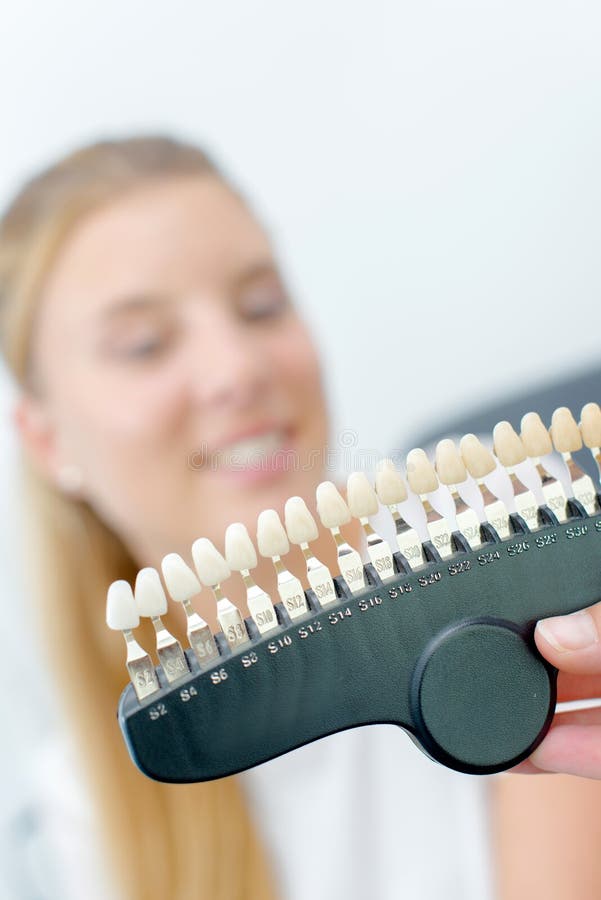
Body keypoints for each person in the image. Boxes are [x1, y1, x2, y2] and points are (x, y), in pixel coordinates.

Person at [0, 135, 600, 900]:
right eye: (144, 345)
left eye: (261, 305)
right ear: (48, 442)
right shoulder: (80, 814)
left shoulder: (504, 536)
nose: (237, 368)